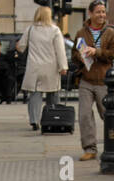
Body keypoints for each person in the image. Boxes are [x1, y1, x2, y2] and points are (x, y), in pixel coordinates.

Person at [72, 0, 114, 161]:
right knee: (84, 115)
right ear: (90, 13)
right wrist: (81, 55)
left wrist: (96, 51)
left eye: (103, 12)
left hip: (104, 80)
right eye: (98, 12)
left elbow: (112, 54)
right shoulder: (81, 33)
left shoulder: (110, 33)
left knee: (107, 115)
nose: (102, 15)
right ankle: (90, 148)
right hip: (86, 79)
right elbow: (74, 55)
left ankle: (113, 144)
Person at [17, 3, 68, 131]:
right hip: (50, 67)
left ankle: (34, 120)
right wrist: (63, 66)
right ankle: (52, 117)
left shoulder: (30, 29)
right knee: (53, 93)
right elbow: (60, 50)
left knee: (35, 94)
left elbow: (20, 47)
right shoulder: (55, 30)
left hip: (34, 67)